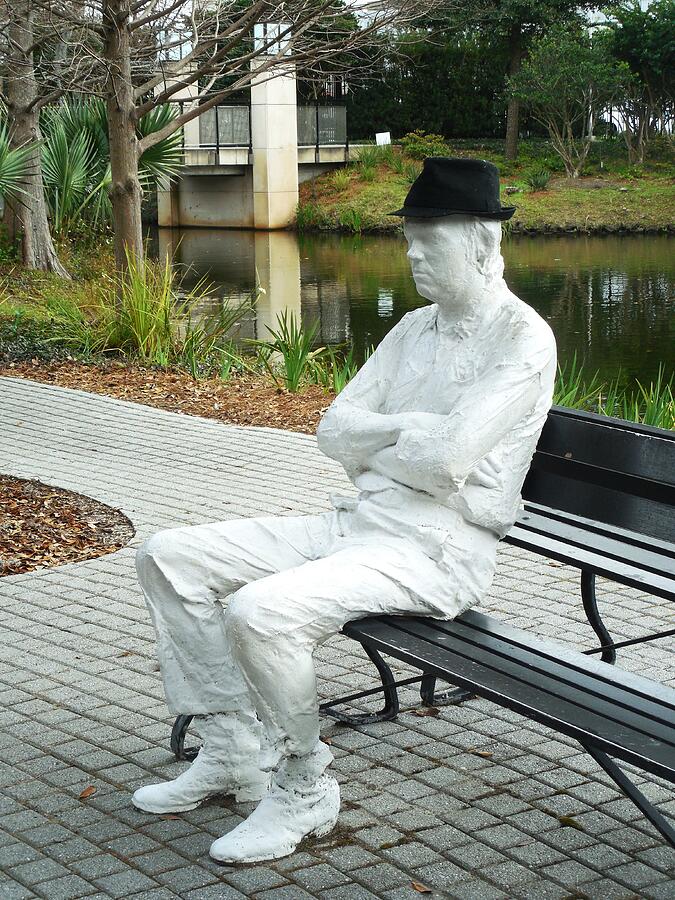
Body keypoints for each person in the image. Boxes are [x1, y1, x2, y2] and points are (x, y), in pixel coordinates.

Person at [132, 158, 557, 864]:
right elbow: (332, 430)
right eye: (409, 238)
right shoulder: (411, 331)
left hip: (434, 553)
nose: (413, 253)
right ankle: (235, 749)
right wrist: (404, 432)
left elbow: (445, 464)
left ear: (482, 245)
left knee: (260, 612)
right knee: (170, 556)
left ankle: (303, 786)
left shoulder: (521, 339)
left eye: (431, 239)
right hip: (358, 526)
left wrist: (386, 441)